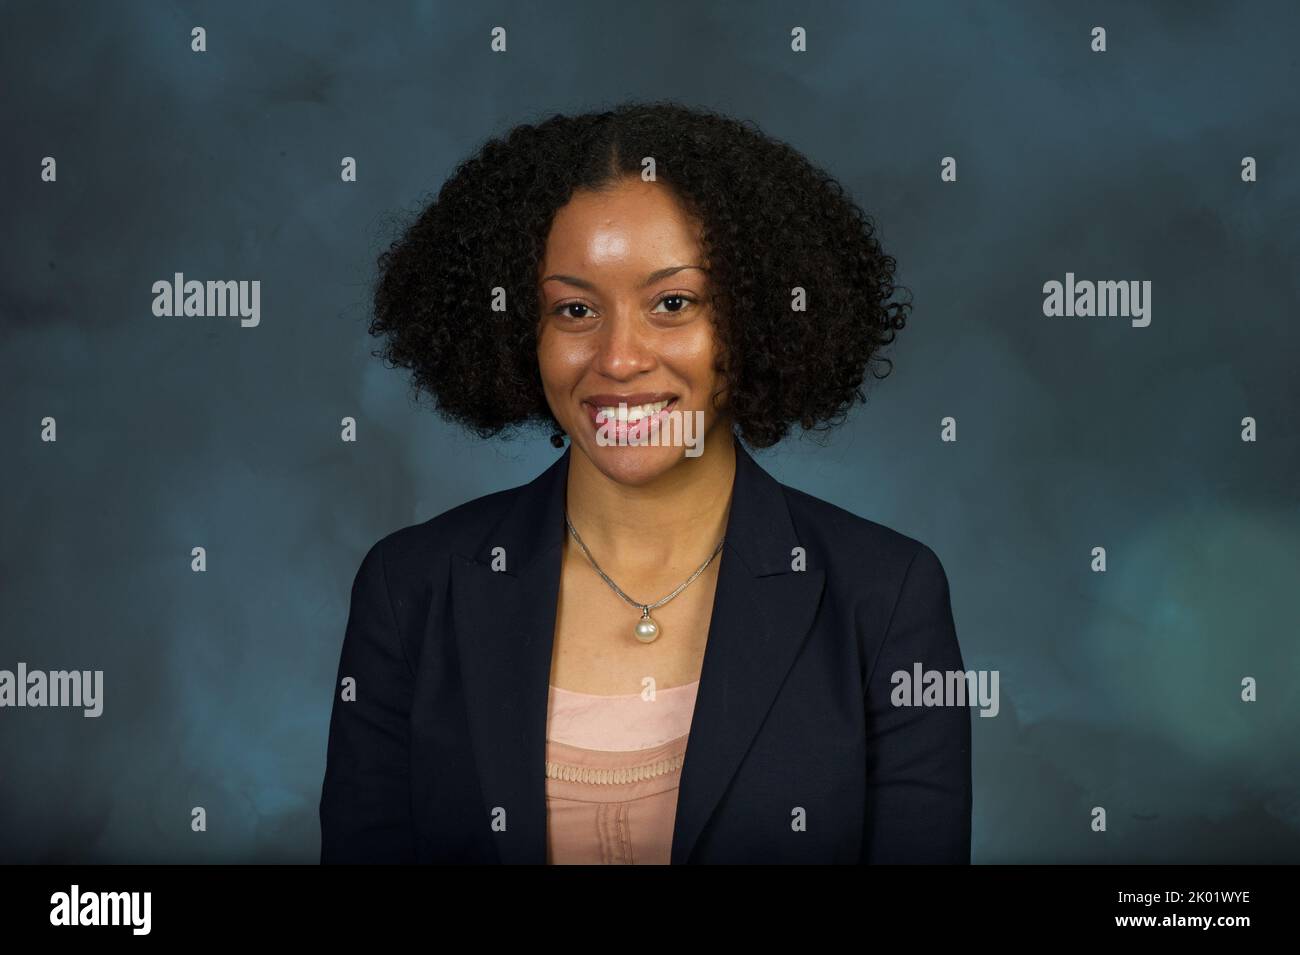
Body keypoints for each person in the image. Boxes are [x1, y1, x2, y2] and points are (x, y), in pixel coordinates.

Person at [319, 101, 971, 864]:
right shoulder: (411, 591)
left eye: (672, 303)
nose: (620, 358)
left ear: (754, 318)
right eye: (574, 309)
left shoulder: (884, 597)